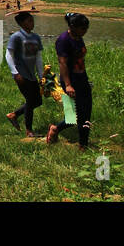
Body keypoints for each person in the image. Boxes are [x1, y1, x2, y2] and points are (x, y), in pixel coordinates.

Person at [46, 12, 92, 149]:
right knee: (72, 116)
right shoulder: (63, 40)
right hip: (70, 81)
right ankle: (55, 129)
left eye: (86, 28)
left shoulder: (78, 37)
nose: (85, 31)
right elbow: (63, 63)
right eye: (82, 28)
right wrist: (68, 85)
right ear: (72, 26)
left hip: (82, 79)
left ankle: (83, 144)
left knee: (86, 111)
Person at [4, 11, 43, 137]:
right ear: (21, 23)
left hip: (32, 75)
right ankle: (29, 131)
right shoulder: (16, 37)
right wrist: (15, 73)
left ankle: (14, 115)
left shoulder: (36, 37)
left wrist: (41, 75)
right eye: (29, 20)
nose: (32, 23)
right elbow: (9, 55)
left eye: (32, 20)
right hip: (21, 74)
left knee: (38, 101)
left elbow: (38, 57)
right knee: (31, 101)